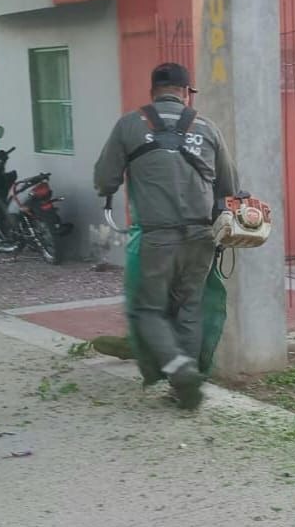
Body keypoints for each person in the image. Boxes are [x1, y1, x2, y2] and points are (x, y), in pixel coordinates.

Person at [94, 63, 237, 409]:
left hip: (157, 239)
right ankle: (183, 385)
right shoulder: (207, 127)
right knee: (190, 307)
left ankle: (178, 369)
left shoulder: (129, 125)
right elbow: (229, 186)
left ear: (152, 93)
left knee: (148, 309)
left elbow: (104, 180)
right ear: (187, 93)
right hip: (202, 236)